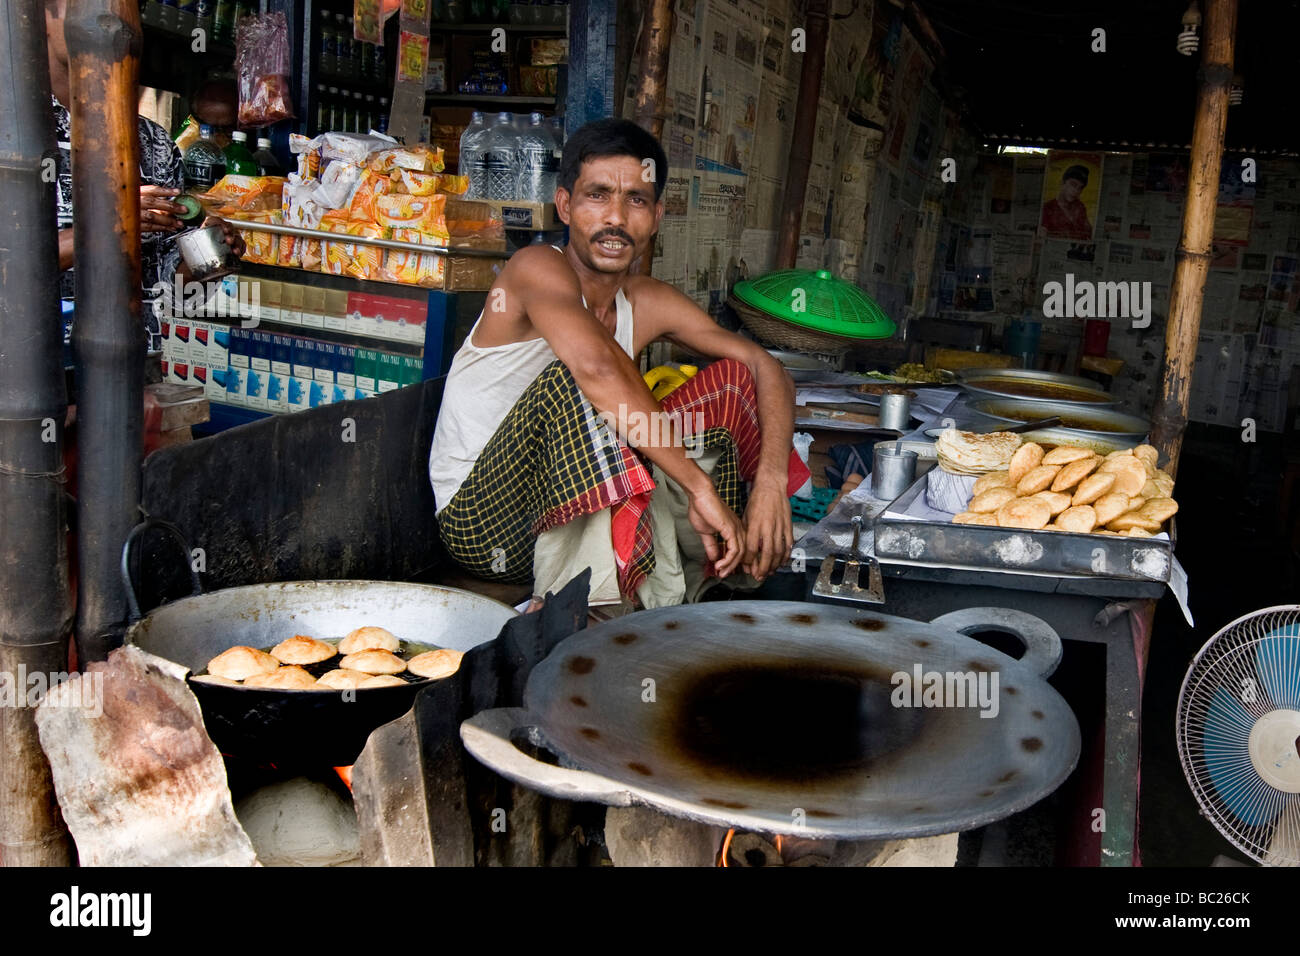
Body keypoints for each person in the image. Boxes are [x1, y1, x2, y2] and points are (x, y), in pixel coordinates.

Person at [429, 118, 808, 612]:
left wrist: (773, 484)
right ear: (565, 205)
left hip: (573, 505)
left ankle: (721, 560)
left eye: (636, 200)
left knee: (734, 379)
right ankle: (586, 613)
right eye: (598, 196)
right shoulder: (536, 267)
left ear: (656, 215)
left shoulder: (645, 300)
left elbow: (766, 368)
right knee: (587, 375)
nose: (616, 218)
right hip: (487, 524)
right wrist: (697, 485)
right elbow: (596, 370)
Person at [44, 0, 244, 351]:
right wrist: (111, 223)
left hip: (137, 372)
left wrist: (209, 255)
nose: (111, 18)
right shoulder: (17, 136)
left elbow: (177, 295)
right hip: (31, 381)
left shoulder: (152, 142)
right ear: (40, 13)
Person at [1040, 164, 1094, 240]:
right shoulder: (1048, 208)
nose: (1076, 191)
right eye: (1073, 184)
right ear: (1062, 183)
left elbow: (1089, 232)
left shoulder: (1080, 207)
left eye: (1080, 188)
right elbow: (1042, 236)